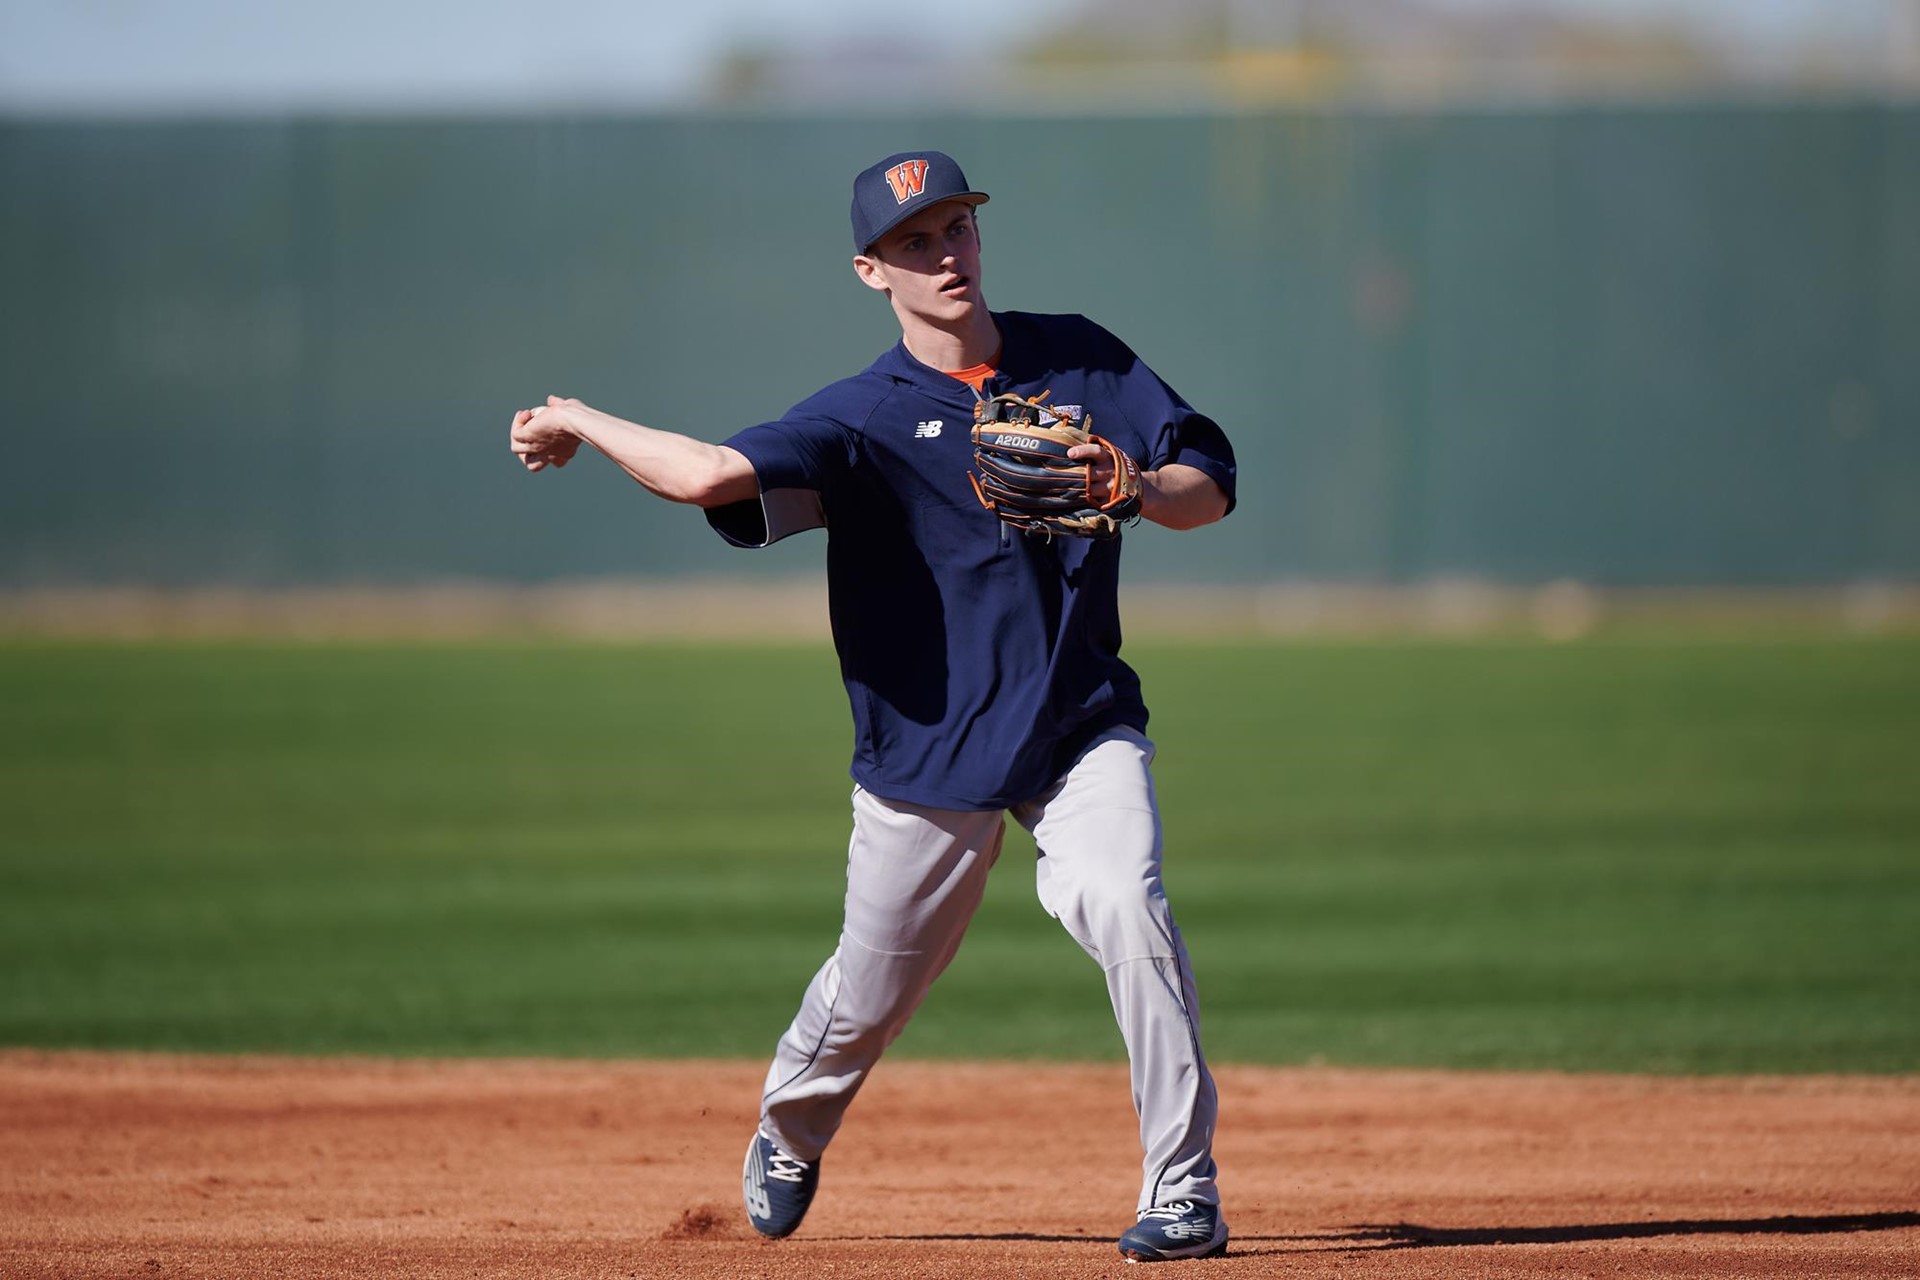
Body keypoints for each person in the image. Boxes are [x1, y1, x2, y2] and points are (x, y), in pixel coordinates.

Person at [507, 150, 1237, 1263]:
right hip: (926, 758)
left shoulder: (1081, 358)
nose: (944, 252)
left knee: (1125, 899)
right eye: (914, 240)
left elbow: (1210, 485)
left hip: (1078, 724)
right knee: (868, 997)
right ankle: (791, 1127)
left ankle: (1184, 1190)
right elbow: (710, 476)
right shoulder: (860, 422)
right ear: (870, 270)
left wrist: (1134, 486)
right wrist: (578, 418)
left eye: (956, 227)